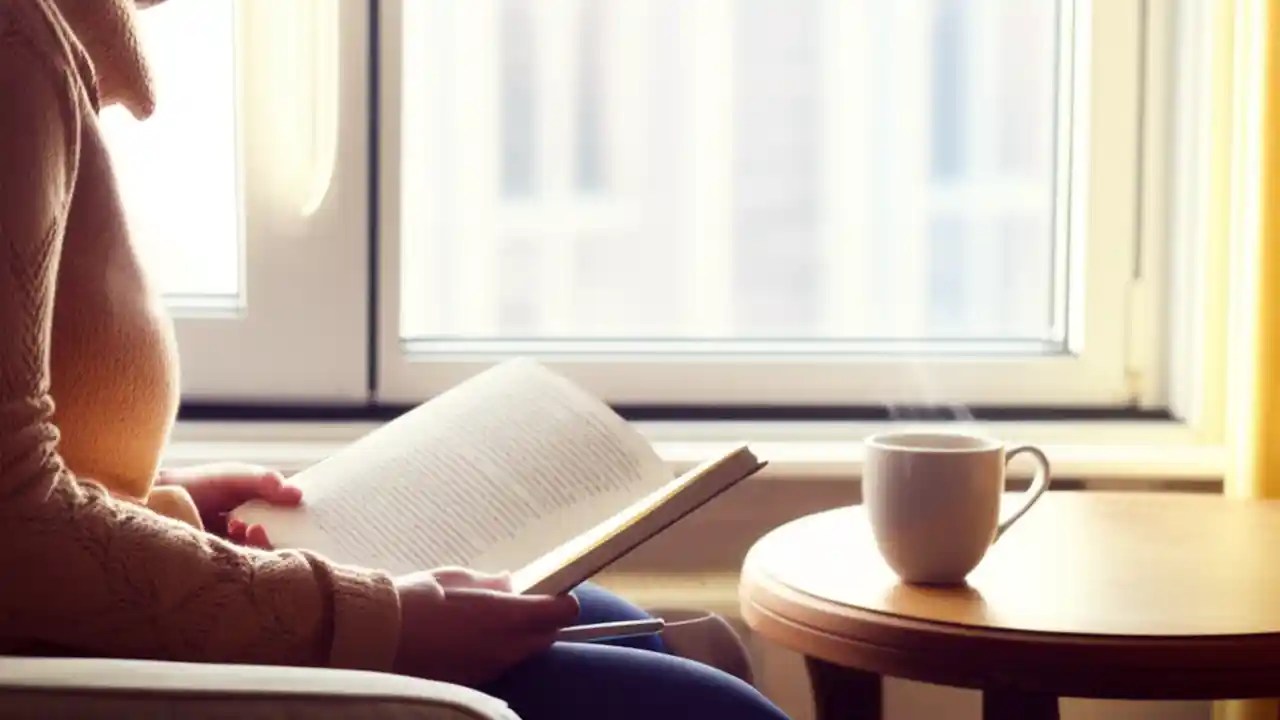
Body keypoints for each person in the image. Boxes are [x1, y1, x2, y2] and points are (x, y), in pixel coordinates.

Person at [0, 1, 790, 717]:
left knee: (619, 626)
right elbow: (15, 532)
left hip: (79, 622)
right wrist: (382, 621)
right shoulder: (13, 42)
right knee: (715, 709)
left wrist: (156, 502)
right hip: (71, 665)